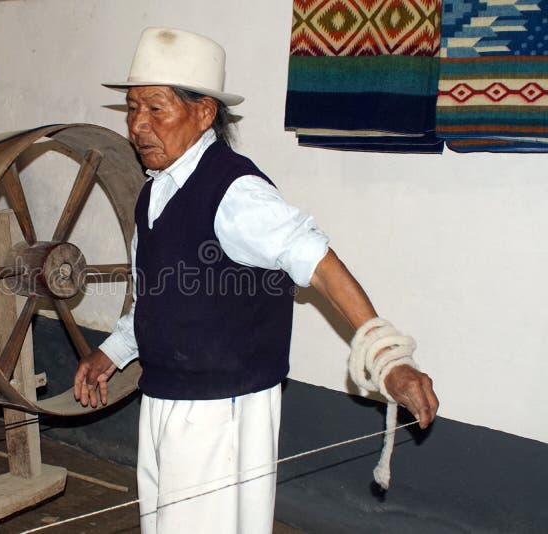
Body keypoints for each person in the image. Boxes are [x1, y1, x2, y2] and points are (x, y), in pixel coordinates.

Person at [73, 27, 439, 534]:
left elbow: (320, 265)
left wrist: (385, 357)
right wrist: (113, 352)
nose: (138, 125)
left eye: (156, 108)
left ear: (204, 113)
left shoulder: (235, 192)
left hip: (219, 410)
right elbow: (158, 297)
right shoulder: (154, 193)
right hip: (164, 396)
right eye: (132, 108)